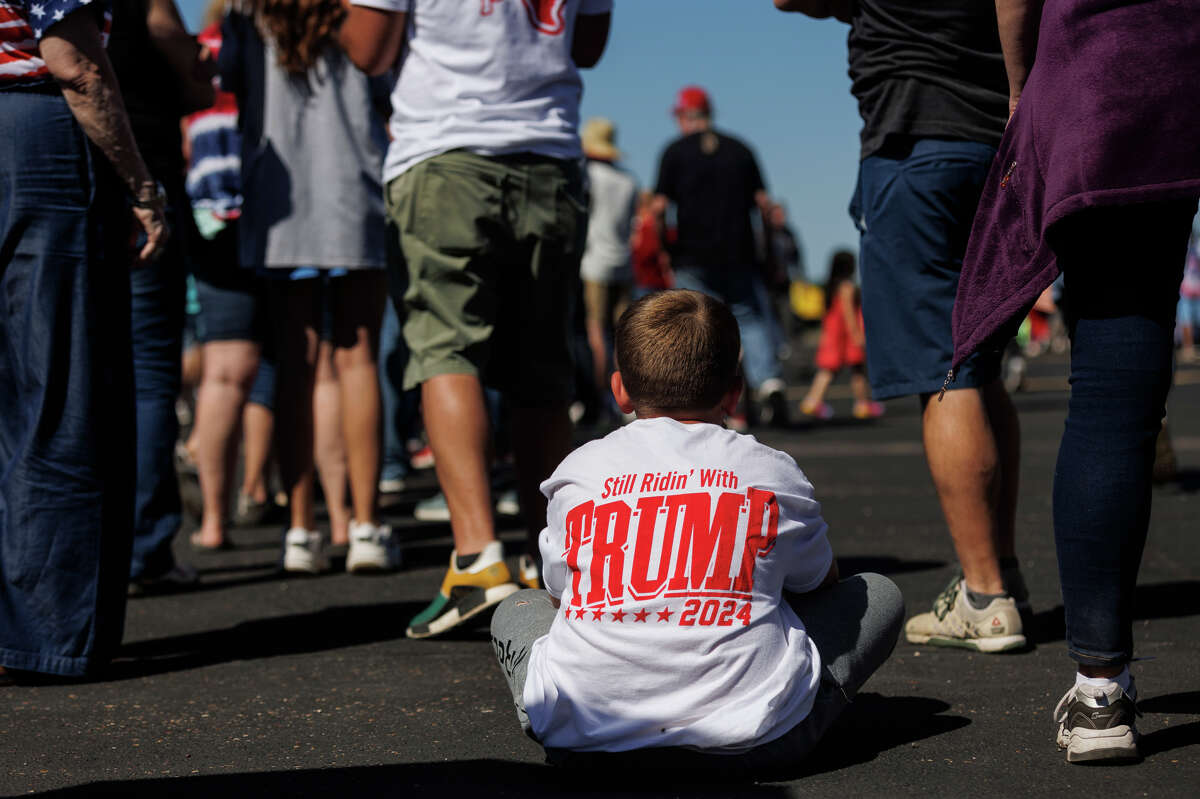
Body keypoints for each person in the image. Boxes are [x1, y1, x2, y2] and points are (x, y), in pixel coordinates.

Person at [489, 290, 903, 772]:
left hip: (583, 740)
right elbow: (819, 581)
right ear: (735, 390)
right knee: (877, 593)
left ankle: (579, 707)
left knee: (515, 607)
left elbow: (560, 593)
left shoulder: (579, 471)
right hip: (756, 742)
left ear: (620, 390)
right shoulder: (771, 470)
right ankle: (765, 693)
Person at [950, 0, 1200, 763]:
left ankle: (1101, 692)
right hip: (1179, 56)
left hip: (1106, 72)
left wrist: (1026, 87)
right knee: (1124, 391)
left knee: (1112, 396)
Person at [339, 0, 613, 637]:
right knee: (541, 368)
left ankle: (477, 558)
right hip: (548, 151)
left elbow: (368, 47)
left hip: (447, 148)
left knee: (445, 350)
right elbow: (589, 43)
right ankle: (555, 564)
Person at [776, 0, 1028, 653]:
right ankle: (1003, 572)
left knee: (943, 369)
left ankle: (983, 593)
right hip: (997, 143)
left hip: (915, 138)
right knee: (979, 363)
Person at [0, 0, 168, 678]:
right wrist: (142, 184)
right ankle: (48, 633)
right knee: (60, 389)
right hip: (32, 131)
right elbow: (74, 64)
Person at [220, 0, 393, 574]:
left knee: (296, 364)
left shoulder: (249, 13)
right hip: (354, 186)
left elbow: (231, 88)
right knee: (357, 358)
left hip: (281, 199)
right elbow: (385, 83)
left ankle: (301, 529)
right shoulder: (357, 8)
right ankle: (365, 526)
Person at [653, 86, 788, 427]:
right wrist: (768, 253)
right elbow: (764, 206)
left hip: (692, 256)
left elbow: (658, 209)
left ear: (685, 116)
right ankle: (769, 383)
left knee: (701, 325)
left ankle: (707, 396)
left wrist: (664, 249)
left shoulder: (674, 152)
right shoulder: (739, 149)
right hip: (739, 252)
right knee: (751, 320)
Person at [579, 117, 638, 423]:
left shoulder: (589, 176)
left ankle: (601, 395)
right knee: (622, 334)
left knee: (594, 330)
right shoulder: (628, 181)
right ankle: (627, 394)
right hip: (622, 262)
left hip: (594, 263)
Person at [799, 250, 882, 420]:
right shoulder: (846, 287)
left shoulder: (831, 286)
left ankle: (814, 400)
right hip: (844, 335)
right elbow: (848, 313)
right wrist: (856, 334)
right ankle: (861, 404)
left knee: (830, 369)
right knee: (856, 368)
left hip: (832, 332)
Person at [1177, 233, 1200, 363]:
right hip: (1185, 291)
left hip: (1197, 290)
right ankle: (1188, 348)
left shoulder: (1196, 248)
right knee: (1186, 321)